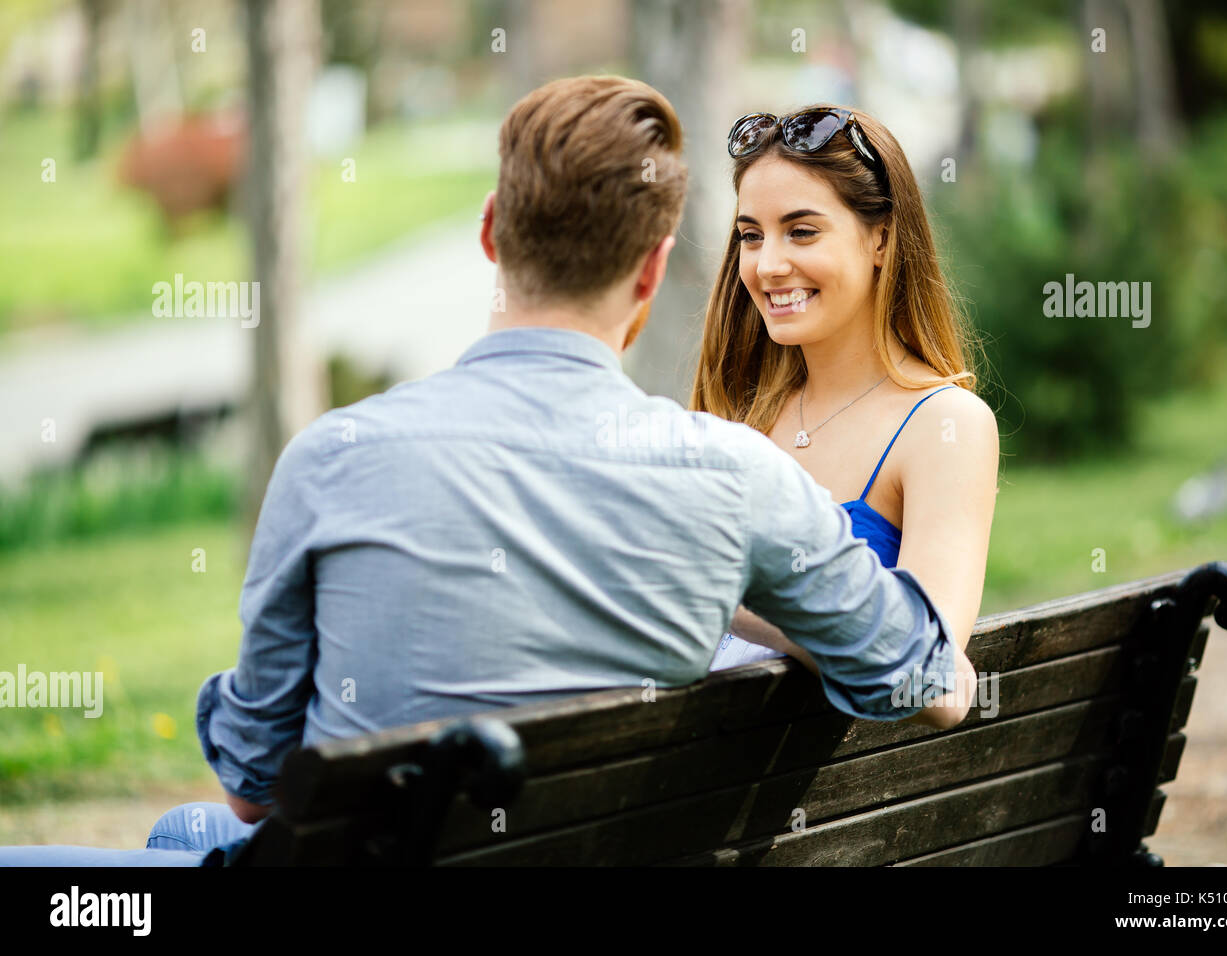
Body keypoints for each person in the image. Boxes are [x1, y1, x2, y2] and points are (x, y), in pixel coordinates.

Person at [0, 77, 974, 867]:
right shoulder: (738, 473)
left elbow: (254, 784)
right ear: (651, 269)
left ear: (487, 233)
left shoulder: (332, 457)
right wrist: (761, 589)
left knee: (177, 839)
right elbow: (925, 674)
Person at [694, 106, 999, 674]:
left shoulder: (945, 425)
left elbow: (925, 663)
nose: (768, 265)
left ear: (881, 238)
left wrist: (731, 600)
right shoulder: (740, 416)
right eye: (751, 236)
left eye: (801, 231)